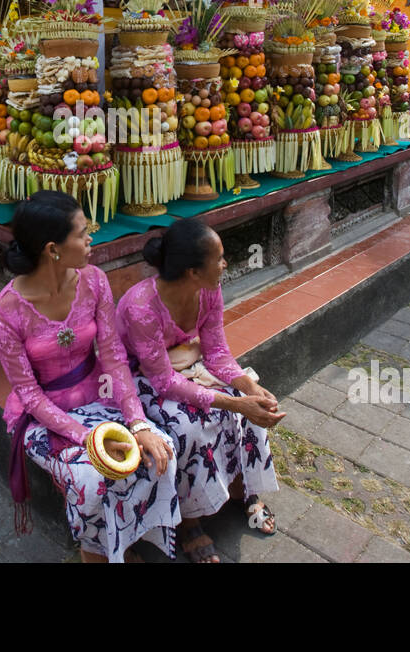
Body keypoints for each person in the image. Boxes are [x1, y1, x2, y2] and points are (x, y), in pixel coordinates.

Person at [0, 191, 179, 563]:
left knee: (158, 447)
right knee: (94, 477)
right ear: (52, 249)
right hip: (45, 418)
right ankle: (94, 554)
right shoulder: (5, 310)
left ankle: (128, 539)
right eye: (82, 232)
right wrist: (88, 437)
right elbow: (28, 393)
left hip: (98, 396)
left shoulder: (94, 281)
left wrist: (137, 422)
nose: (91, 238)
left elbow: (113, 355)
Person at [117, 219, 284, 564]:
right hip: (146, 378)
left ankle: (243, 489)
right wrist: (234, 403)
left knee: (246, 404)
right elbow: (163, 382)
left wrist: (250, 388)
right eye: (219, 258)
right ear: (193, 271)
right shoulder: (141, 307)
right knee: (187, 427)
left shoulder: (209, 289)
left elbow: (218, 353)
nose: (225, 263)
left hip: (189, 367)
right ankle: (190, 521)